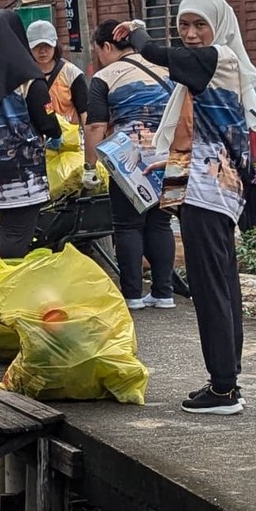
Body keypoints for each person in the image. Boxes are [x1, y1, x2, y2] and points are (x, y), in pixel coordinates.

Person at [119, 0, 256, 416]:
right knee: (220, 283)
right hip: (202, 188)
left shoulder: (220, 59)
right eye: (185, 25)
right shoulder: (205, 69)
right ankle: (225, 378)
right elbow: (185, 134)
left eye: (200, 24)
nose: (192, 33)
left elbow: (158, 54)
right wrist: (171, 192)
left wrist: (138, 33)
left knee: (212, 286)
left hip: (212, 191)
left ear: (218, 26)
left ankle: (223, 388)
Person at [85, 20, 176, 310]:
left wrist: (90, 167)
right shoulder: (166, 68)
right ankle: (164, 294)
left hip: (129, 160)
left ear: (107, 46)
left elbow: (96, 125)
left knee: (127, 226)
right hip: (168, 156)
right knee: (161, 224)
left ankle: (133, 295)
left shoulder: (105, 77)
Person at [0, 9, 59, 259]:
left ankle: (5, 279)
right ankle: (6, 284)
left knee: (8, 226)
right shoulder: (29, 79)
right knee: (17, 234)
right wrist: (56, 134)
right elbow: (47, 121)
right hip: (23, 172)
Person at [26, 18, 89, 124]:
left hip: (70, 137)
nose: (42, 51)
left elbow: (84, 111)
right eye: (36, 47)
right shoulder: (25, 75)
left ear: (55, 45)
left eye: (47, 46)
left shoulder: (71, 73)